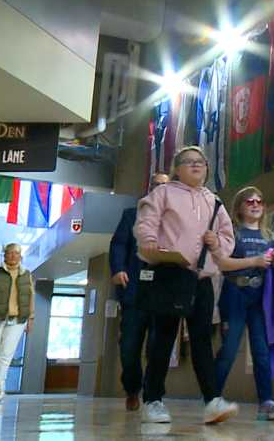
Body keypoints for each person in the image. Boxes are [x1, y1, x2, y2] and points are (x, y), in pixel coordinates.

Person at [134, 146, 239, 425]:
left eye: (200, 162)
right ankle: (153, 400)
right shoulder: (163, 193)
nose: (196, 165)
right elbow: (147, 223)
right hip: (170, 273)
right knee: (163, 338)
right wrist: (150, 243)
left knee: (203, 340)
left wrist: (217, 243)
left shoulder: (214, 201)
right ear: (177, 169)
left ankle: (213, 400)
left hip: (201, 279)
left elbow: (228, 237)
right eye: (188, 161)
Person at [212, 186, 274, 421]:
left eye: (259, 201)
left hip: (259, 298)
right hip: (235, 293)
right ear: (239, 207)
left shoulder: (269, 236)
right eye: (249, 201)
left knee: (262, 351)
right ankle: (212, 399)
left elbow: (272, 270)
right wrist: (255, 261)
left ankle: (266, 401)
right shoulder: (232, 234)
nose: (255, 205)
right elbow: (223, 264)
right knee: (229, 349)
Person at [109, 172, 169, 411]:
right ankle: (132, 388)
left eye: (164, 186)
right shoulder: (131, 215)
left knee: (158, 348)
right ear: (149, 187)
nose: (159, 189)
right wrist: (118, 269)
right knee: (129, 347)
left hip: (162, 293)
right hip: (134, 291)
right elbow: (118, 244)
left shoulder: (174, 219)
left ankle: (154, 395)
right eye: (156, 184)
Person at [0, 244, 34, 404]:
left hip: (17, 320)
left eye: (16, 253)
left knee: (5, 354)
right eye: (10, 253)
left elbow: (31, 297)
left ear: (20, 256)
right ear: (5, 255)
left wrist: (31, 318)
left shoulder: (26, 275)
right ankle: (0, 384)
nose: (13, 256)